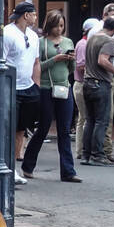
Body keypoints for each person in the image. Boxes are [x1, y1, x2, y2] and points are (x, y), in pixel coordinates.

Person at [21, 10, 80, 182]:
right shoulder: (40, 43)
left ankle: (68, 171)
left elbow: (71, 68)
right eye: (56, 26)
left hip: (64, 87)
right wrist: (56, 59)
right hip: (46, 88)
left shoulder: (68, 41)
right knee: (44, 127)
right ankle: (28, 165)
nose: (59, 30)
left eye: (61, 26)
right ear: (49, 26)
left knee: (65, 130)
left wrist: (71, 58)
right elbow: (38, 66)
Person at [4, 1, 41, 184]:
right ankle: (7, 167)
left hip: (28, 87)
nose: (35, 17)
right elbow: (0, 62)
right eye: (33, 14)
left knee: (21, 129)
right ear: (26, 15)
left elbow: (35, 61)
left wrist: (36, 85)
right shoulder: (7, 34)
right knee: (9, 128)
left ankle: (14, 168)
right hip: (11, 87)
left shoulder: (34, 36)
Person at [81, 16, 114, 166]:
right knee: (101, 121)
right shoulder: (109, 40)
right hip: (100, 83)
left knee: (90, 120)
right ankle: (98, 155)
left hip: (87, 83)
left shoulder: (92, 38)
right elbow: (102, 60)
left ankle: (86, 154)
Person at [73, 17, 100, 160]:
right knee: (84, 118)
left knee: (84, 118)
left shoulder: (87, 43)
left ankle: (83, 148)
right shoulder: (84, 44)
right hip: (82, 83)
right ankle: (81, 150)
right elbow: (81, 66)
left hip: (84, 83)